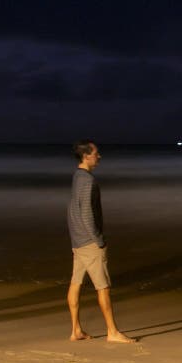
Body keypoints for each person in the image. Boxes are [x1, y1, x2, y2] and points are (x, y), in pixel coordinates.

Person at [67, 140, 135, 343]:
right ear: (86, 156)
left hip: (78, 240)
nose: (99, 156)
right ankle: (112, 332)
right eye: (96, 153)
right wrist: (99, 240)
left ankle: (75, 330)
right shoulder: (87, 181)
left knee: (76, 283)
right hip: (89, 242)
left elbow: (73, 209)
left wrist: (75, 235)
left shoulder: (77, 176)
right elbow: (86, 214)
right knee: (103, 286)